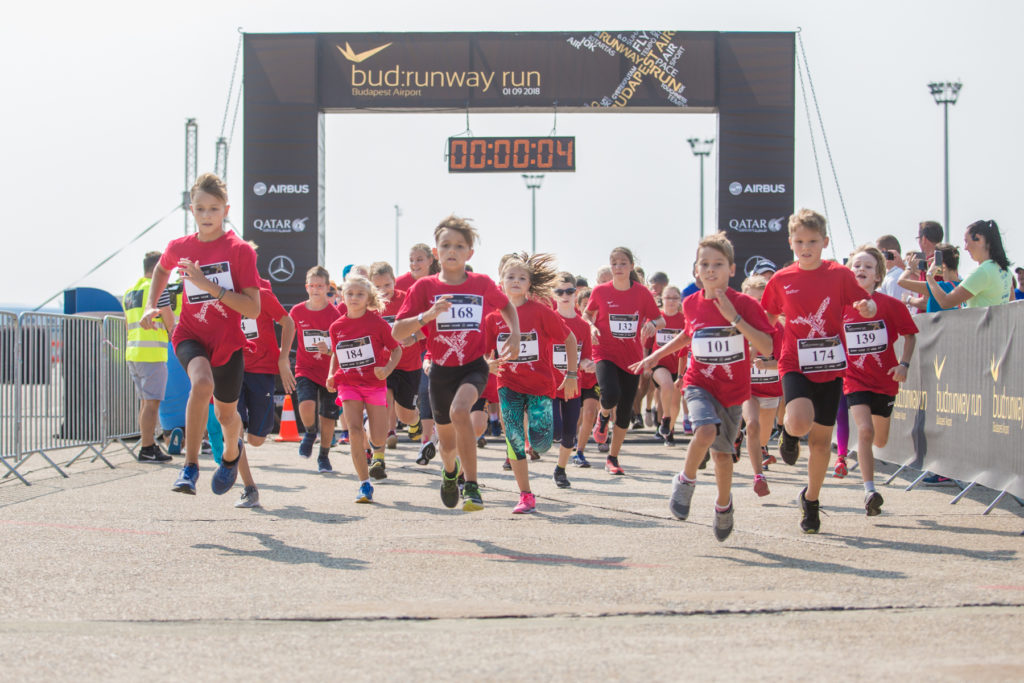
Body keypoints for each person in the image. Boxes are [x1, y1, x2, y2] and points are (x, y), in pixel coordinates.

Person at [631, 233, 774, 541]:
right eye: (704, 264)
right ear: (696, 270)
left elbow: (767, 345)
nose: (711, 270)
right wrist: (654, 356)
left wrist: (734, 318)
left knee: (723, 456)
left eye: (718, 264)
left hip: (733, 390)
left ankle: (723, 505)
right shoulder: (691, 303)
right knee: (705, 431)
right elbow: (687, 335)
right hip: (699, 382)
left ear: (732, 270)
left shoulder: (745, 304)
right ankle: (686, 479)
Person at [140, 172, 261, 497]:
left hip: (227, 342)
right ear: (191, 209)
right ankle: (189, 467)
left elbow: (253, 309)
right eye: (200, 209)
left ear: (226, 210)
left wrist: (209, 286)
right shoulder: (180, 246)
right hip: (190, 334)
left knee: (226, 414)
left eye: (214, 209)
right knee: (202, 383)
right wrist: (152, 304)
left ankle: (230, 455)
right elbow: (163, 269)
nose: (207, 216)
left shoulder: (240, 251)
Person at [760, 209, 877, 534]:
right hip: (795, 362)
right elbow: (766, 317)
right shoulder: (782, 279)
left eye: (812, 241)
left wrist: (868, 306)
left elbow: (863, 302)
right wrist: (753, 338)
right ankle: (788, 432)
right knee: (798, 419)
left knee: (822, 444)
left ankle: (811, 499)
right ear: (790, 243)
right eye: (799, 242)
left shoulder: (839, 274)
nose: (806, 247)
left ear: (825, 242)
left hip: (830, 366)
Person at [393, 215, 520, 511]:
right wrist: (427, 316)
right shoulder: (424, 288)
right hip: (440, 371)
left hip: (473, 366)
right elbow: (397, 331)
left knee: (461, 410)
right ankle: (450, 473)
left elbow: (507, 306)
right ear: (436, 253)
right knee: (447, 447)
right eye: (446, 245)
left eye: (459, 246)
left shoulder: (482, 283)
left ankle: (472, 486)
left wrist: (514, 334)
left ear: (469, 253)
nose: (452, 250)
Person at [485, 254, 577, 512]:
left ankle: (536, 444)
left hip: (539, 386)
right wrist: (487, 364)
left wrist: (571, 374)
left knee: (542, 443)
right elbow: (484, 352)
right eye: (510, 277)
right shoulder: (493, 317)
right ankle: (525, 494)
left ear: (530, 283)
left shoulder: (540, 312)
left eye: (522, 278)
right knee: (513, 438)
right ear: (501, 282)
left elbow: (569, 340)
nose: (516, 281)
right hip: (508, 384)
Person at [834, 245, 918, 515]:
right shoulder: (839, 306)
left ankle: (871, 471)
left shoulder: (891, 306)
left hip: (884, 380)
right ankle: (870, 491)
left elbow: (910, 335)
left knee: (880, 440)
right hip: (855, 379)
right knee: (865, 431)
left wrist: (903, 364)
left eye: (868, 267)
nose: (861, 270)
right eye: (856, 265)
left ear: (878, 276)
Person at [585, 247, 665, 475]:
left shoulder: (641, 293)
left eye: (622, 263)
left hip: (631, 359)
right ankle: (603, 416)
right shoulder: (600, 291)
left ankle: (613, 457)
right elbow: (587, 314)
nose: (618, 268)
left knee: (625, 413)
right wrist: (590, 326)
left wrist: (652, 324)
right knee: (610, 394)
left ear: (631, 266)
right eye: (614, 264)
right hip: (605, 352)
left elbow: (660, 319)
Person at [327, 275, 402, 502]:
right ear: (342, 296)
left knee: (378, 438)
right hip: (348, 383)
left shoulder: (377, 323)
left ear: (368, 297)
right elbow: (336, 353)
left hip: (374, 384)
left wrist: (387, 369)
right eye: (350, 294)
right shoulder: (336, 326)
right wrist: (331, 374)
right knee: (353, 430)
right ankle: (364, 483)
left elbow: (396, 350)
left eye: (360, 294)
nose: (354, 298)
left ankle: (376, 444)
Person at [234, 273, 295, 508]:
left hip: (262, 370)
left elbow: (288, 322)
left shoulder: (262, 295)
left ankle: (244, 442)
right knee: (233, 428)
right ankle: (249, 488)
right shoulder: (220, 295)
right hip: (232, 368)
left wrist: (283, 360)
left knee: (257, 439)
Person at [281, 266, 341, 472]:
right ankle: (309, 432)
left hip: (330, 373)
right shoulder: (297, 311)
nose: (316, 289)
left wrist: (330, 349)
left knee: (328, 417)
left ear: (327, 288)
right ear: (307, 287)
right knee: (306, 405)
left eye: (320, 286)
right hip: (305, 367)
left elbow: (341, 344)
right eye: (312, 285)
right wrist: (284, 354)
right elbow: (288, 332)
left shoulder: (335, 314)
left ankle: (323, 456)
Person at [123, 250, 175, 462]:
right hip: (152, 352)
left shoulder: (130, 291)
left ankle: (148, 444)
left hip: (134, 352)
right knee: (152, 403)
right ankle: (147, 447)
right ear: (156, 269)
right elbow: (171, 323)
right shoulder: (157, 290)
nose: (167, 275)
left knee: (145, 403)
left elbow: (128, 324)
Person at [369, 261, 425, 449]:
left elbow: (428, 324)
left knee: (405, 414)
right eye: (377, 286)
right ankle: (381, 447)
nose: (383, 290)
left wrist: (415, 337)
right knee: (384, 399)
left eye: (387, 285)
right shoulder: (368, 305)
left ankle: (415, 420)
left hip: (408, 364)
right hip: (383, 364)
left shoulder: (407, 299)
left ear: (394, 282)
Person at [739, 274, 784, 497]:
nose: (756, 305)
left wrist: (768, 365)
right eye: (751, 300)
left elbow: (786, 362)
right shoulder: (736, 327)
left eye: (760, 300)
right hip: (748, 390)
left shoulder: (779, 329)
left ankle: (747, 440)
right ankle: (758, 476)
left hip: (771, 391)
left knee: (763, 436)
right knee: (753, 425)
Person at [550, 271, 595, 484]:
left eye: (569, 291)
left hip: (572, 386)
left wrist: (589, 365)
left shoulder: (583, 326)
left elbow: (585, 357)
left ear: (575, 293)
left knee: (569, 434)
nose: (565, 295)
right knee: (555, 430)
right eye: (560, 291)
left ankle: (560, 470)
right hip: (549, 385)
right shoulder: (548, 320)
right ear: (553, 294)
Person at [926, 220, 1013, 309]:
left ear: (979, 239)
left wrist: (929, 276)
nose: (965, 247)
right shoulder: (1005, 270)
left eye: (967, 241)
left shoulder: (983, 272)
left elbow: (945, 302)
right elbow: (1011, 303)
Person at [650, 284, 685, 446]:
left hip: (678, 366)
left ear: (679, 301)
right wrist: (646, 364)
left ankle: (668, 430)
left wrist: (682, 374)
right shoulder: (657, 319)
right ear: (661, 299)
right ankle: (664, 417)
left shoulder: (684, 321)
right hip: (659, 364)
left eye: (674, 298)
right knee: (666, 385)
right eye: (667, 297)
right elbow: (647, 343)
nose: (671, 301)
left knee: (675, 405)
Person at [897, 243, 962, 312]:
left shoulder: (937, 287)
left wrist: (909, 268)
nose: (931, 262)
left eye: (935, 261)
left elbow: (901, 281)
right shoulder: (963, 286)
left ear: (942, 265)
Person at [876, 234, 911, 303]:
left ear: (883, 251)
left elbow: (895, 307)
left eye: (877, 252)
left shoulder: (895, 276)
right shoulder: (891, 275)